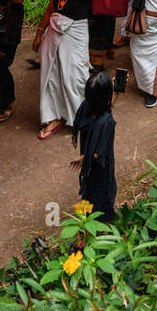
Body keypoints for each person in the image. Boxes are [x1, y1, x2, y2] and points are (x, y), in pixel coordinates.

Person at [35, 0, 98, 140]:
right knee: (52, 75)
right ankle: (56, 116)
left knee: (75, 77)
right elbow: (50, 9)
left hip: (75, 34)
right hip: (53, 33)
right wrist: (39, 33)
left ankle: (82, 117)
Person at [68, 70, 117, 221]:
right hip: (99, 164)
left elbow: (105, 106)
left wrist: (115, 91)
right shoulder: (107, 122)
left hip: (87, 161)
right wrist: (84, 158)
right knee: (104, 191)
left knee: (88, 189)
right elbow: (98, 153)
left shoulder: (85, 107)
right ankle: (101, 221)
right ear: (107, 96)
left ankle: (85, 215)